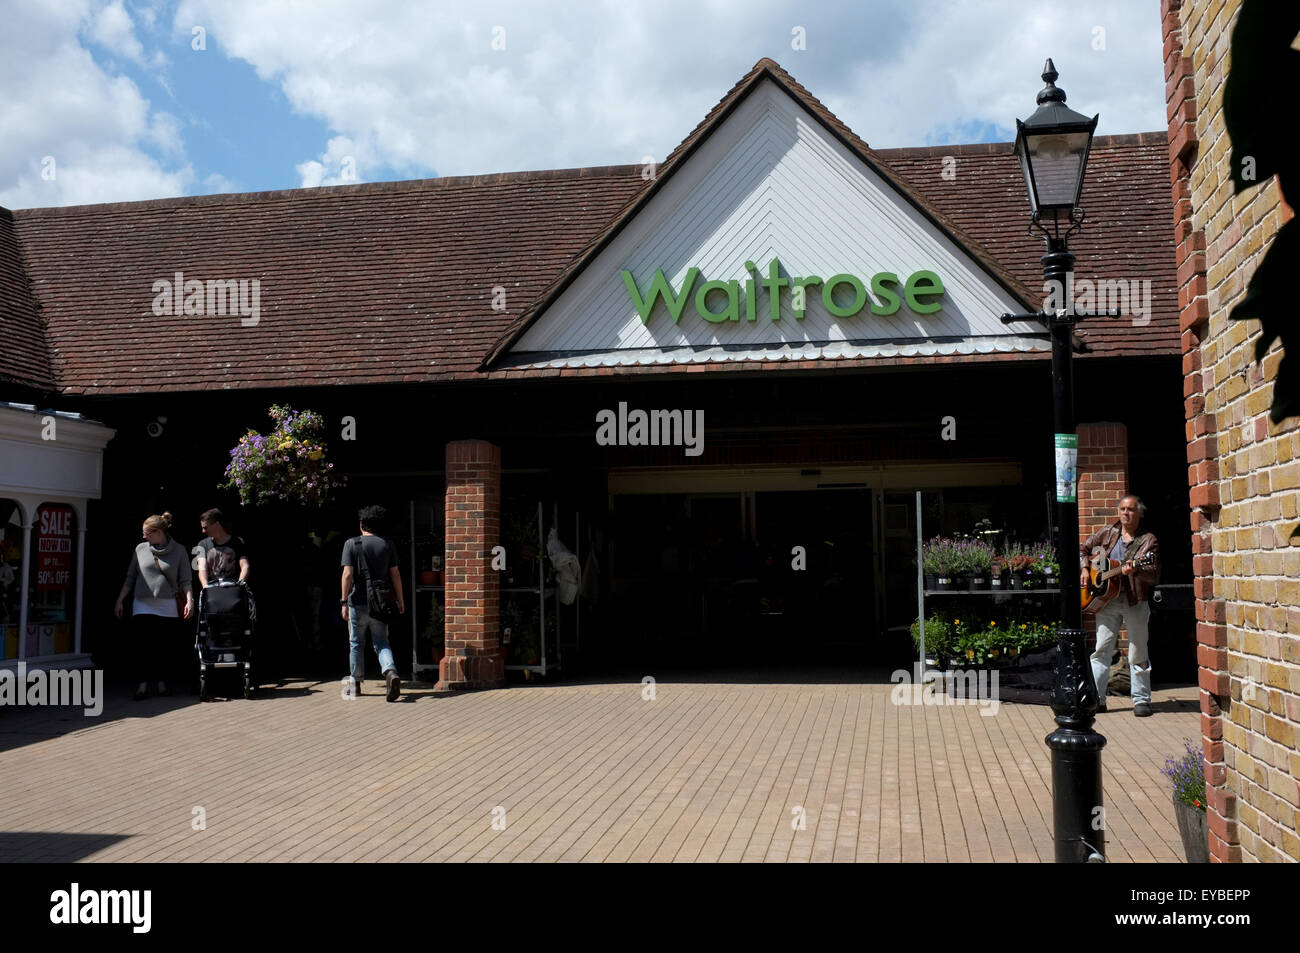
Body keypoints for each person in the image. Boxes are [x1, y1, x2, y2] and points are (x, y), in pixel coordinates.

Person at [1080, 494, 1160, 716]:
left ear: (1140, 513)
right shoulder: (1108, 532)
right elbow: (1083, 549)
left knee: (1137, 651)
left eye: (1131, 509)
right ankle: (1097, 699)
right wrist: (1086, 569)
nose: (1126, 513)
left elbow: (1152, 573)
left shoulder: (1148, 540)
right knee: (1101, 650)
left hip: (1135, 601)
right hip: (1106, 601)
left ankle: (1141, 700)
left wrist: (1137, 569)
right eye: (1123, 509)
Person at [115, 512, 194, 700]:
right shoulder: (140, 549)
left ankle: (161, 684)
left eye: (147, 533)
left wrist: (190, 600)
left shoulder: (179, 550)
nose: (143, 536)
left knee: (163, 647)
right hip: (142, 603)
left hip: (167, 604)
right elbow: (131, 577)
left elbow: (185, 580)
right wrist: (120, 599)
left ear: (159, 532)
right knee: (144, 646)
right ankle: (142, 685)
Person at [341, 505, 405, 701]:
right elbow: (395, 575)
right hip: (381, 602)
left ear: (361, 524)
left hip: (357, 601)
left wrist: (343, 601)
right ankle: (390, 672)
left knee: (356, 643)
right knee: (381, 641)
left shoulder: (351, 544)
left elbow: (347, 574)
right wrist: (400, 600)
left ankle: (356, 685)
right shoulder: (387, 544)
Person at [195, 508, 250, 585]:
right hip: (212, 588)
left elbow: (245, 566)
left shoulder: (237, 542)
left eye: (205, 527)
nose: (203, 531)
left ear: (217, 524)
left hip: (233, 587)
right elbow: (202, 569)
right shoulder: (202, 544)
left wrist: (239, 584)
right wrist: (206, 587)